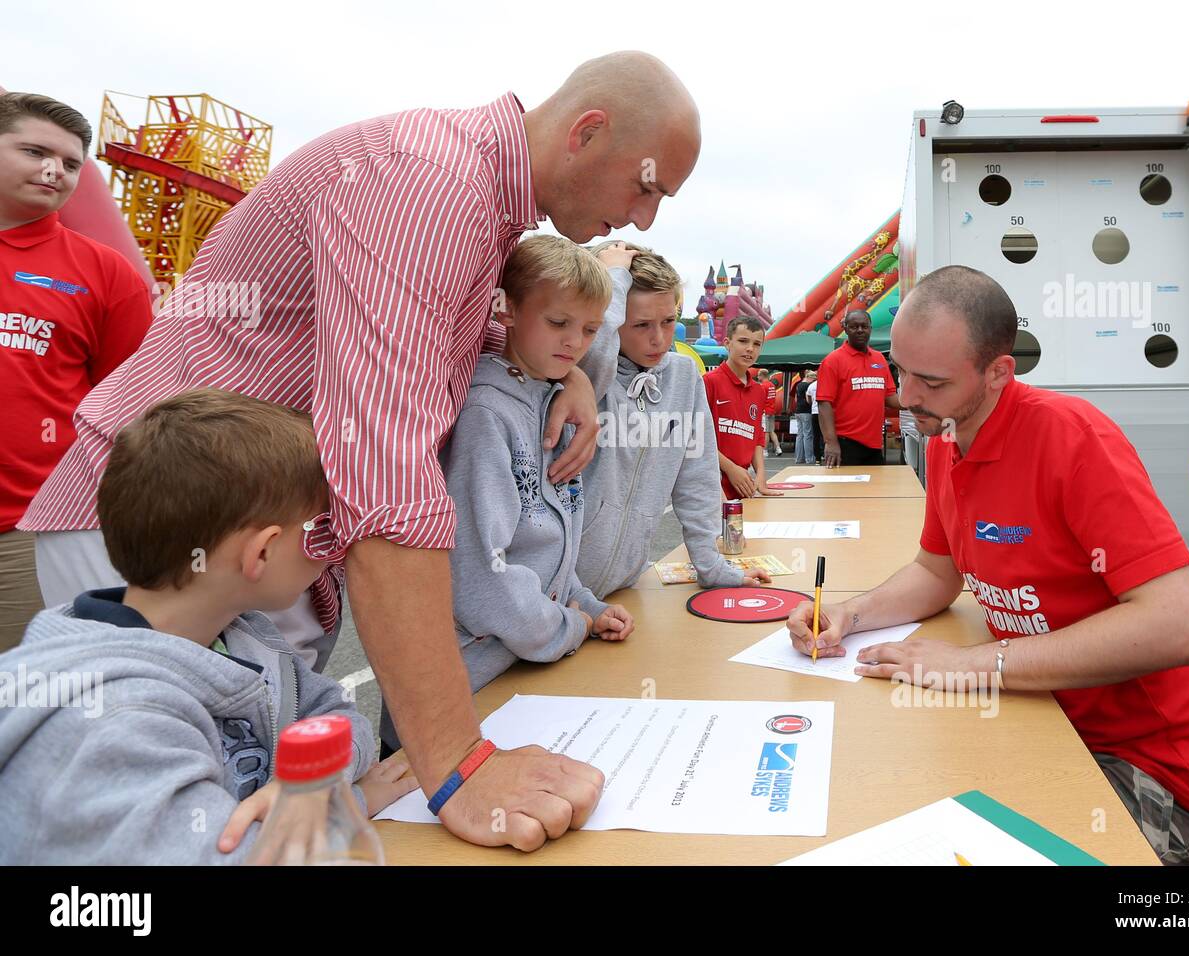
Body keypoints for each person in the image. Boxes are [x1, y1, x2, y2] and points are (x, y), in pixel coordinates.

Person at [19, 51, 701, 853]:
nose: (645, 219)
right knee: (160, 827)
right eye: (647, 187)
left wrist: (561, 379)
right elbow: (383, 483)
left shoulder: (473, 199)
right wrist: (457, 762)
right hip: (170, 531)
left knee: (278, 813)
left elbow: (439, 322)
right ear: (588, 132)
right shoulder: (426, 183)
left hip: (267, 543)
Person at [786, 265, 1189, 865]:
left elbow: (1178, 626)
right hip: (1047, 723)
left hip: (1159, 777)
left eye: (931, 380)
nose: (907, 396)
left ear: (999, 372)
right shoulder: (947, 438)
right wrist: (847, 615)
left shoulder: (1074, 441)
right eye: (899, 369)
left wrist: (974, 664)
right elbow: (936, 572)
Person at [0, 390, 417, 863]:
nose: (333, 547)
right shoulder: (116, 722)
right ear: (260, 552)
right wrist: (351, 805)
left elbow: (336, 717)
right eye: (321, 530)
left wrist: (306, 786)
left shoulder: (243, 636)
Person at [426, 236, 632, 705]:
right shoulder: (486, 415)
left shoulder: (556, 403)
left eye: (590, 330)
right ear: (507, 310)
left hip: (526, 670)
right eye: (558, 322)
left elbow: (546, 547)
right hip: (472, 689)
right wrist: (566, 627)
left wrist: (588, 605)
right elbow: (480, 572)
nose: (574, 342)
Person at [0, 93, 152, 651]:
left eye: (70, 163)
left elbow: (130, 406)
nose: (54, 170)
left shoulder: (104, 273)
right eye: (35, 151)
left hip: (28, 529)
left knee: (20, 697)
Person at [576, 240, 771, 598]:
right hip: (559, 591)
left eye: (668, 321)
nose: (659, 338)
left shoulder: (683, 376)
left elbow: (697, 477)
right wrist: (612, 280)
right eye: (640, 325)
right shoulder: (581, 373)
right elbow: (589, 359)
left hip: (623, 588)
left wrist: (711, 565)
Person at [703, 316, 783, 500]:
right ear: (727, 343)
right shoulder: (708, 382)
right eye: (743, 341)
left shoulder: (758, 391)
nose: (750, 349)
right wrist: (730, 469)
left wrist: (761, 478)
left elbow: (756, 439)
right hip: (711, 485)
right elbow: (696, 438)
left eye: (756, 344)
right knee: (721, 529)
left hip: (743, 486)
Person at [815, 308, 900, 466]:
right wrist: (831, 442)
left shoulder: (879, 359)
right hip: (845, 444)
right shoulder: (833, 361)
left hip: (874, 446)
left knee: (876, 490)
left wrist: (919, 402)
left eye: (864, 326)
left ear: (870, 328)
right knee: (847, 491)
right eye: (854, 326)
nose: (860, 330)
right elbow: (823, 404)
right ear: (846, 329)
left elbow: (890, 398)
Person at [792, 369, 815, 465]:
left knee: (800, 435)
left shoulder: (799, 384)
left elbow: (796, 399)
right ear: (809, 377)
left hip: (798, 411)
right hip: (806, 411)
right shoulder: (807, 385)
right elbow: (808, 399)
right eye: (813, 380)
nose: (813, 382)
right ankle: (809, 458)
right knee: (808, 435)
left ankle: (799, 458)